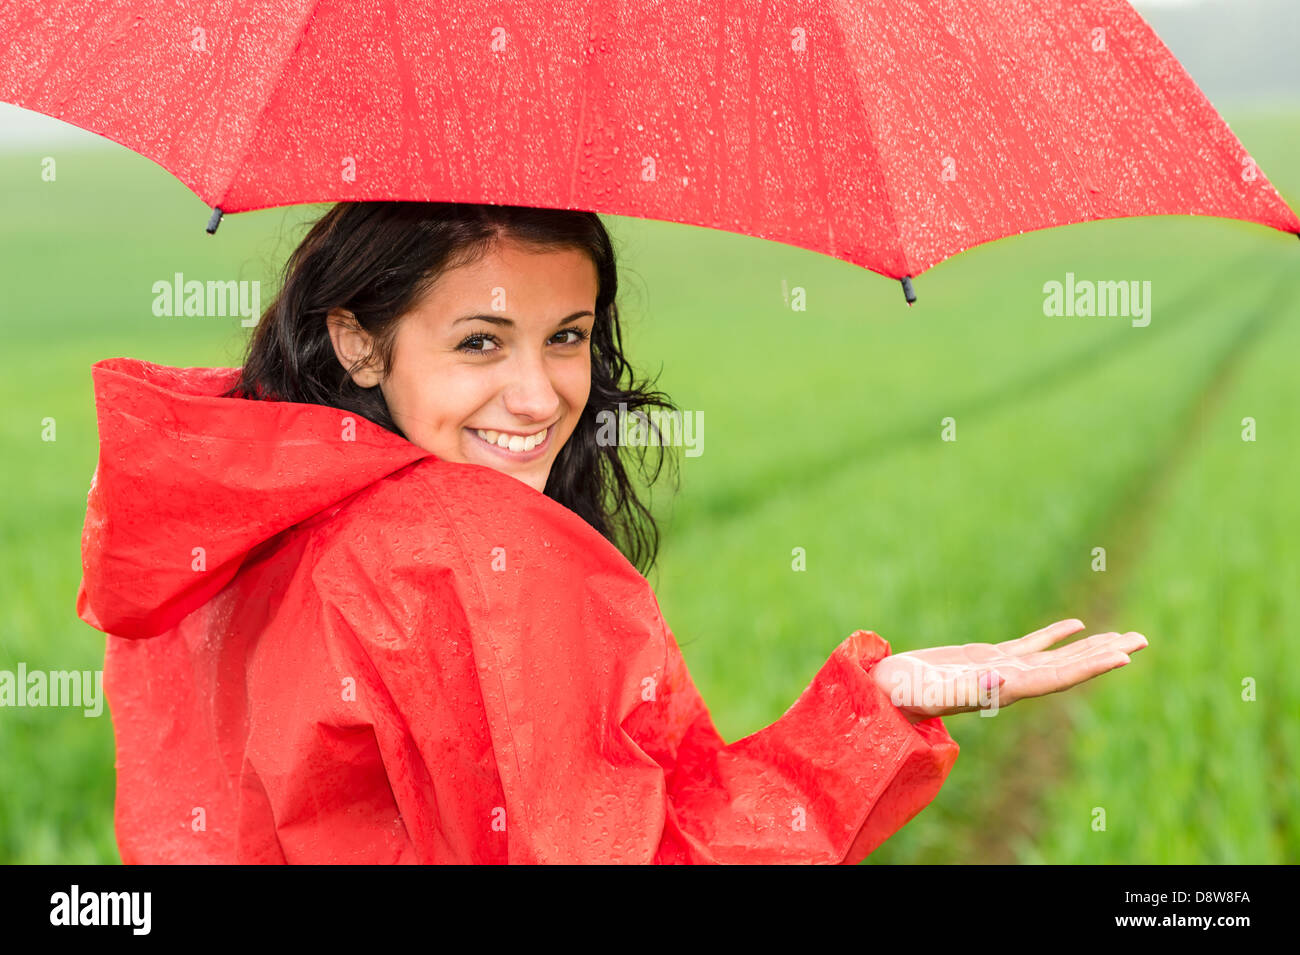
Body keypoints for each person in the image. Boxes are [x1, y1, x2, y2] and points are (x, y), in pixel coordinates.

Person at [75, 201, 1147, 864]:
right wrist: (865, 724)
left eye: (568, 337)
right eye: (480, 342)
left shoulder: (260, 517)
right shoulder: (466, 553)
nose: (538, 395)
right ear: (359, 341)